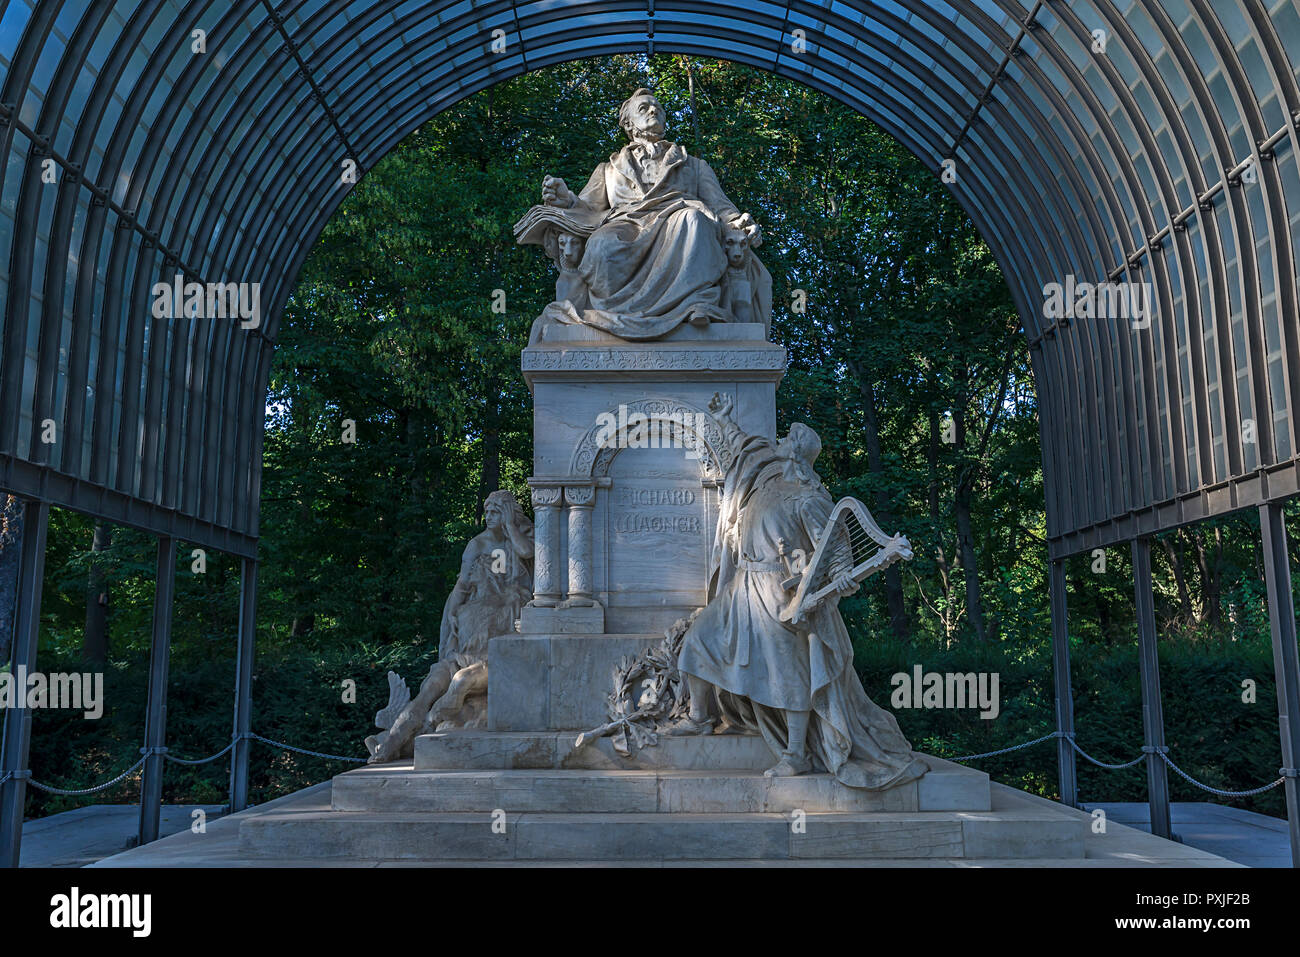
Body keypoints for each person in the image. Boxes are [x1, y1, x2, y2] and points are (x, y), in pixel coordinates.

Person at [665, 394, 926, 790]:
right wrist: (723, 418)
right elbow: (742, 448)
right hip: (741, 590)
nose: (781, 438)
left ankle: (796, 755)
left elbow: (835, 553)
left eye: (789, 437)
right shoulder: (767, 474)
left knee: (789, 676)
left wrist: (838, 580)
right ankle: (699, 718)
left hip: (779, 594)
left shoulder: (810, 500)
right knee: (697, 643)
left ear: (797, 453)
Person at [515, 88, 771, 339]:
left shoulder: (693, 165)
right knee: (601, 244)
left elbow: (721, 206)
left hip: (676, 221)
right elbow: (588, 208)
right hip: (625, 224)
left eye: (658, 108)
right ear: (628, 123)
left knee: (694, 222)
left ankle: (695, 305)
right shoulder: (608, 169)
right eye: (644, 107)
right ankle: (615, 316)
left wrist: (738, 222)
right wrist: (566, 199)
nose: (653, 110)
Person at [365, 490, 533, 763]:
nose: (488, 517)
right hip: (475, 629)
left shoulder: (520, 541)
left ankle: (426, 725)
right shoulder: (476, 546)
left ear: (507, 513)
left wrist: (510, 524)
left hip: (502, 631)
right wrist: (452, 620)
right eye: (487, 512)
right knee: (430, 686)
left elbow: (527, 552)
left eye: (495, 512)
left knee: (460, 680)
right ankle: (391, 741)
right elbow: (461, 588)